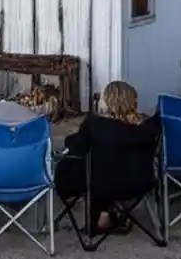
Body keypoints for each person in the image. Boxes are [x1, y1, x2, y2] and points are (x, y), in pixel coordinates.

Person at [55, 81, 158, 234]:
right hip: (140, 184)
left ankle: (103, 215)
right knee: (110, 164)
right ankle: (109, 213)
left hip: (100, 185)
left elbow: (77, 147)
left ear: (108, 101)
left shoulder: (95, 125)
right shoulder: (148, 127)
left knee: (77, 165)